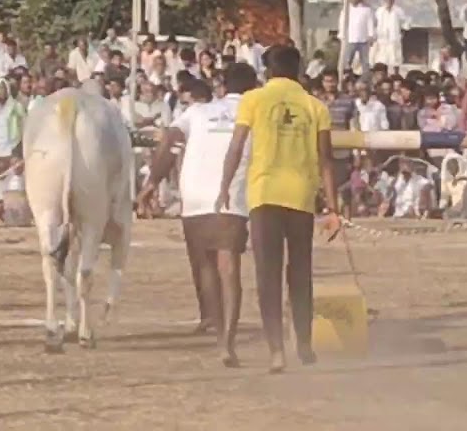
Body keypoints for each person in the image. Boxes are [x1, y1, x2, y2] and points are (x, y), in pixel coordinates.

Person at [217, 45, 340, 373]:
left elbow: (236, 146)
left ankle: (276, 351)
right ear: (299, 71)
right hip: (301, 196)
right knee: (300, 273)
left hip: (264, 194)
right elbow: (327, 160)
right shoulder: (315, 106)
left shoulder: (253, 99)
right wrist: (333, 207)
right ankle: (303, 340)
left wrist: (224, 187)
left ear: (267, 71)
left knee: (267, 275)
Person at [142, 64, 258, 367]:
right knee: (228, 268)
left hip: (193, 195)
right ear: (253, 86)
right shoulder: (255, 112)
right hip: (230, 194)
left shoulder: (198, 111)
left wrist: (152, 182)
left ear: (222, 86)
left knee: (206, 268)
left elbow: (170, 141)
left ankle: (219, 330)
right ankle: (226, 342)